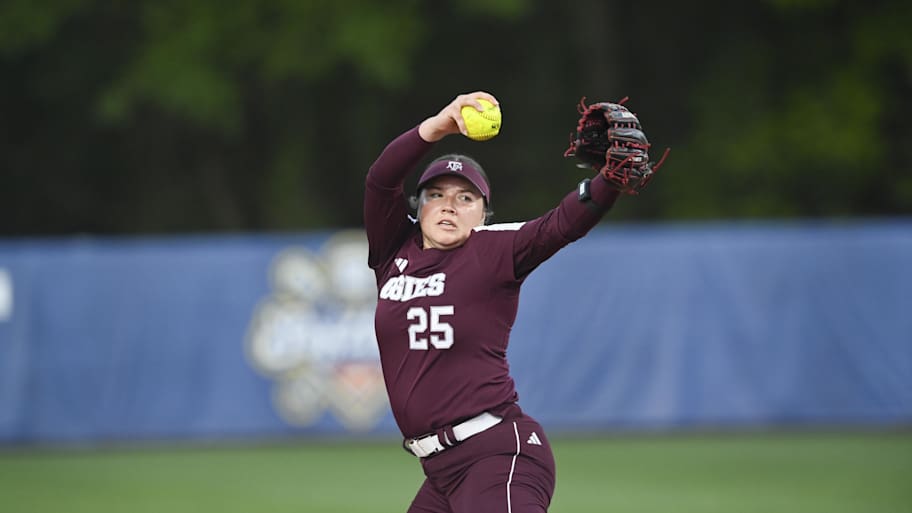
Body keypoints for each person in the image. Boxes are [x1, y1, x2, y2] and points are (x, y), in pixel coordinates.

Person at [364, 91, 621, 513]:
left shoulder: (493, 250)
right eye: (435, 194)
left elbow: (561, 224)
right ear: (418, 207)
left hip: (497, 455)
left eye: (465, 198)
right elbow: (381, 180)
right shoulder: (393, 250)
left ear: (484, 215)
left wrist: (609, 181)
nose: (449, 205)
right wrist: (438, 125)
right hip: (440, 473)